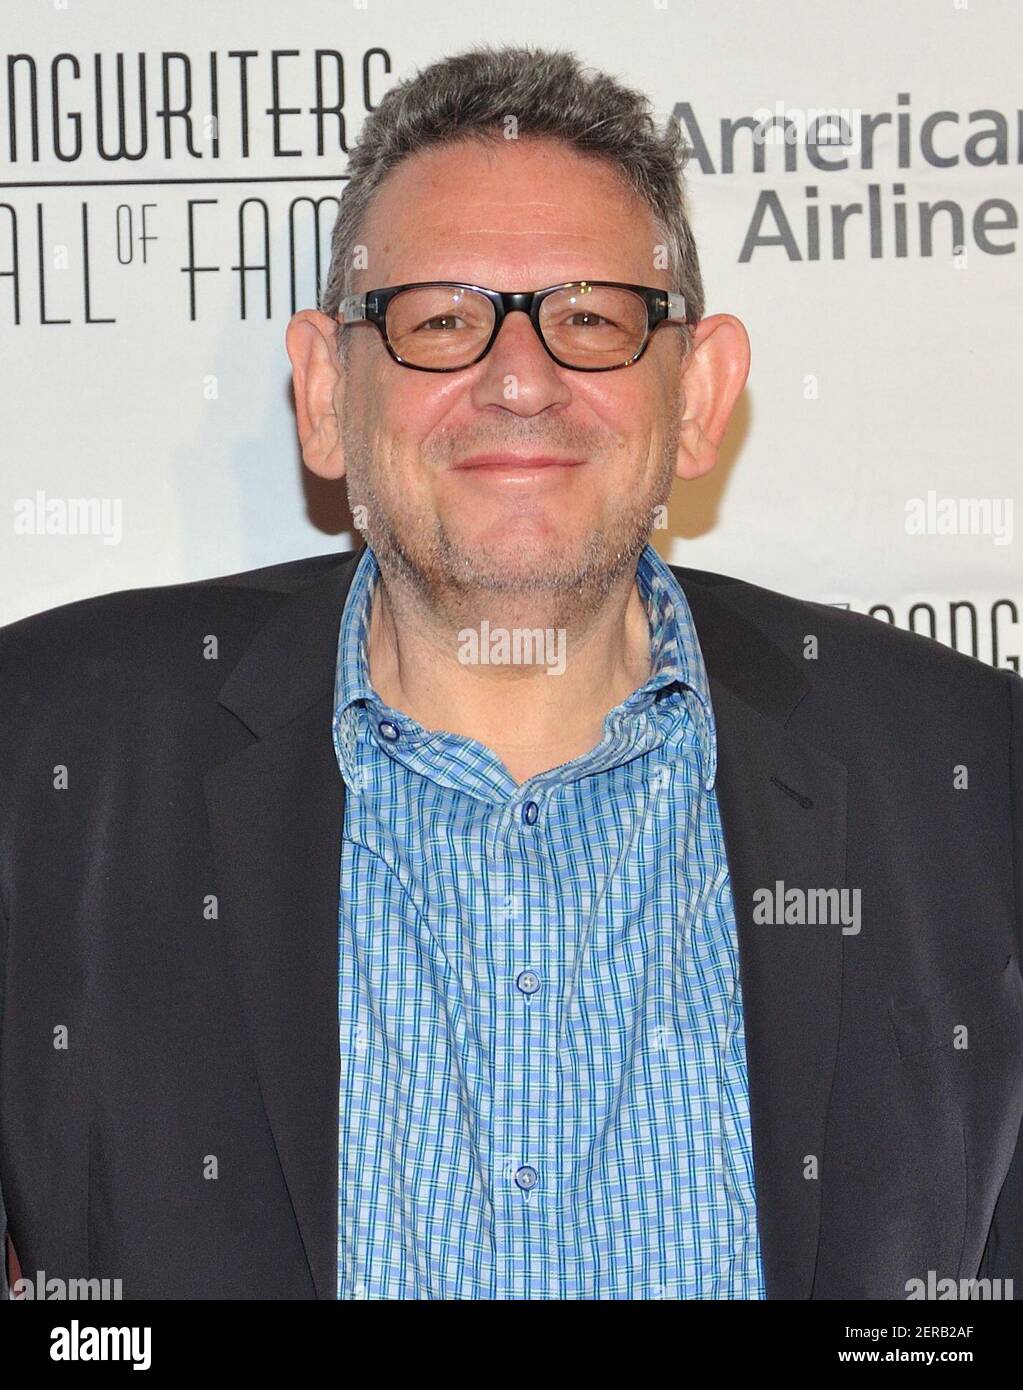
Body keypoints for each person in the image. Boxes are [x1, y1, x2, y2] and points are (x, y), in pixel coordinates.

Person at [1, 45, 1020, 1301]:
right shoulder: (44, 762)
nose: (521, 379)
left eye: (591, 317)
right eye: (440, 320)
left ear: (699, 394)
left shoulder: (974, 781)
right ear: (325, 395)